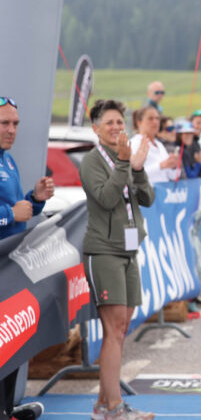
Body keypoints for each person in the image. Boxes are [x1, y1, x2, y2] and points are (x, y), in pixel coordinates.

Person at [79, 99, 155, 420]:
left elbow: (147, 198)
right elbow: (108, 198)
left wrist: (136, 168)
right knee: (113, 329)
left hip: (129, 250)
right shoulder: (91, 161)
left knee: (122, 328)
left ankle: (103, 404)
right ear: (96, 129)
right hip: (104, 251)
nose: (116, 128)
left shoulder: (123, 158)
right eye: (109, 123)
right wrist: (126, 165)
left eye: (119, 123)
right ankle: (113, 407)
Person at [0, 96, 50, 420]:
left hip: (10, 267)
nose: (12, 130)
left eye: (16, 124)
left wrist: (35, 199)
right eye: (5, 123)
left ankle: (6, 409)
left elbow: (19, 212)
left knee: (12, 339)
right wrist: (8, 214)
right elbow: (9, 215)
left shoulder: (9, 161)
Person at [130, 105, 179, 183]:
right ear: (139, 123)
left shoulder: (159, 145)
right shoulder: (133, 144)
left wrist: (173, 165)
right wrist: (160, 166)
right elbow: (132, 175)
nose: (155, 122)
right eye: (150, 118)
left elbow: (172, 176)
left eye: (157, 118)